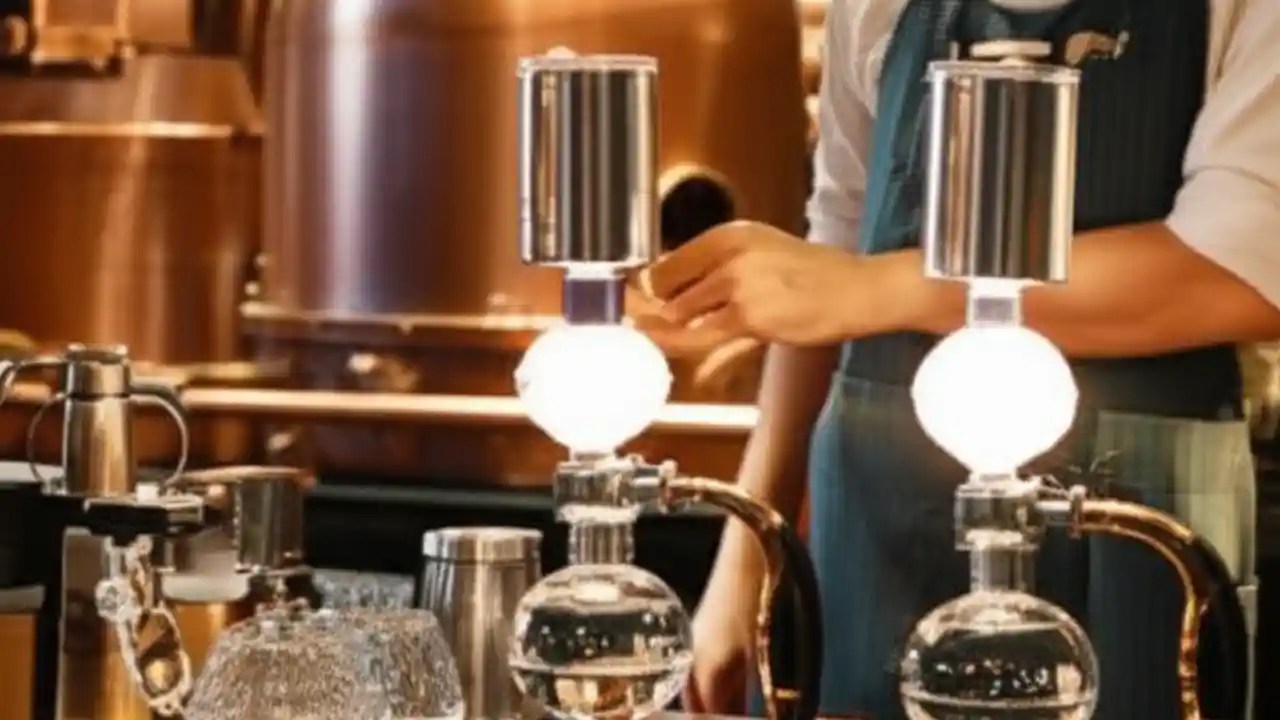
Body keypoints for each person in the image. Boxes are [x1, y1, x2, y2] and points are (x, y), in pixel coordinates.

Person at [634, 0, 1280, 718]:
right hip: (870, 509)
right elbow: (834, 251)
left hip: (1136, 506)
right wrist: (745, 559)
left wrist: (877, 289)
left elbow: (1242, 270)